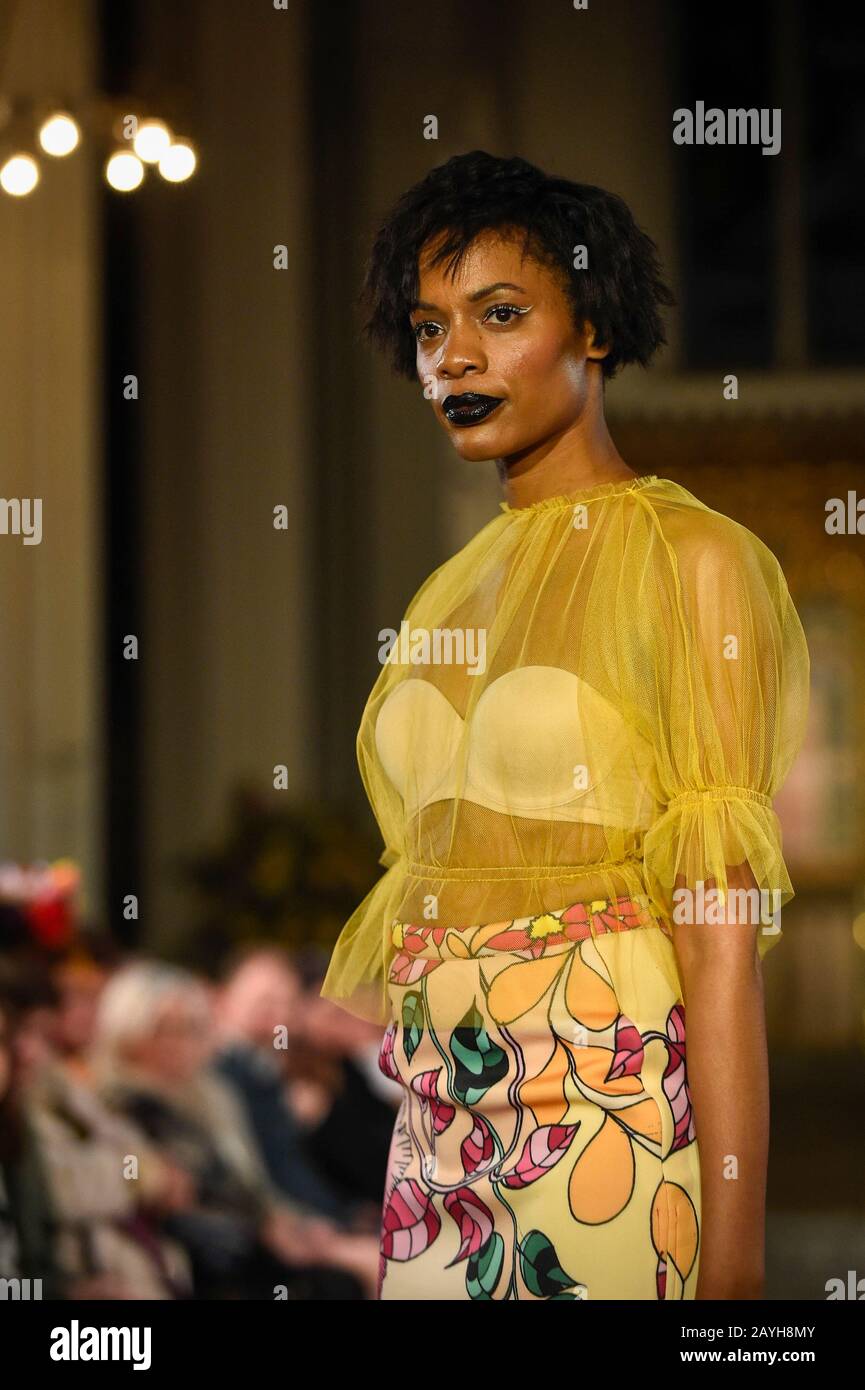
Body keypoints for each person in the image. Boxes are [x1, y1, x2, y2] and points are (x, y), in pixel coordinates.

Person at [319, 151, 811, 1301]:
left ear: (590, 326)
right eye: (430, 328)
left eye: (500, 315)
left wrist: (734, 1274)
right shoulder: (449, 590)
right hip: (435, 1127)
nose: (457, 358)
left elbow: (719, 936)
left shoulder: (694, 562)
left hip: (605, 1106)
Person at [92, 960, 378, 1298]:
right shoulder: (119, 1105)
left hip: (258, 1236)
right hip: (213, 1255)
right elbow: (186, 1195)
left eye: (192, 1028)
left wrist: (295, 1223)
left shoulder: (212, 1094)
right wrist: (273, 1230)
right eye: (165, 1029)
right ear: (128, 1032)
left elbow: (253, 1178)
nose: (180, 1043)